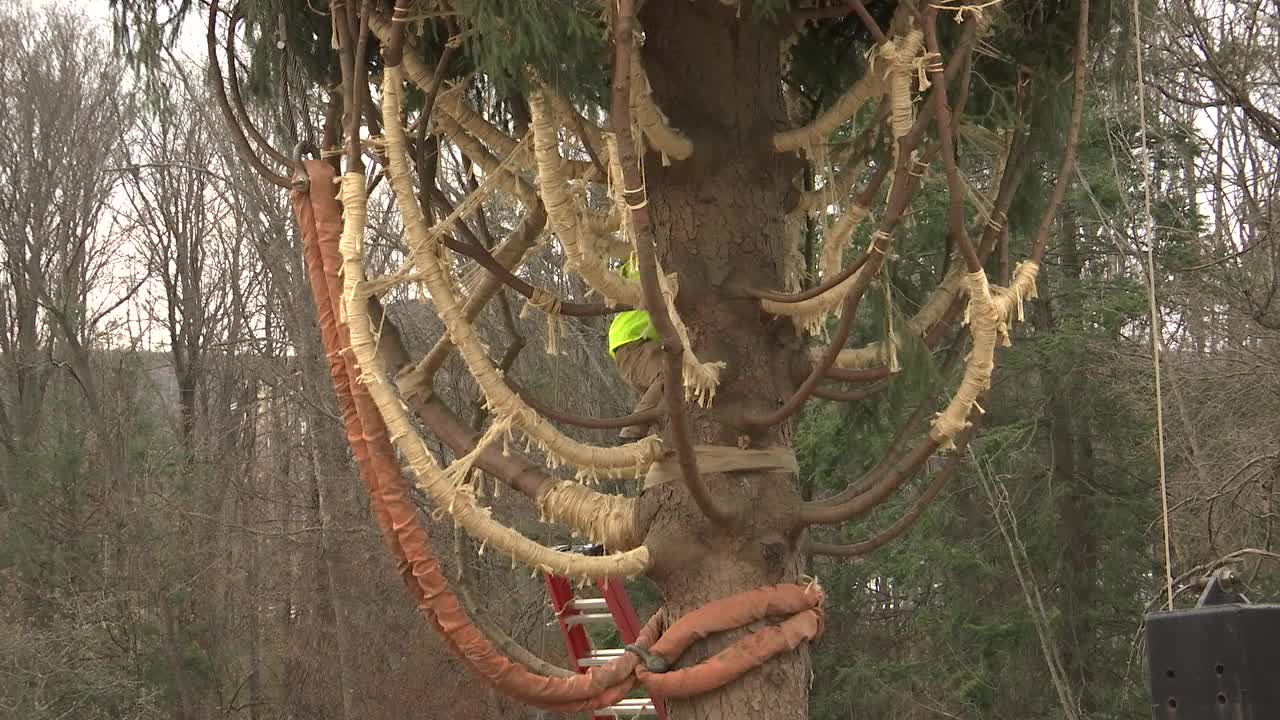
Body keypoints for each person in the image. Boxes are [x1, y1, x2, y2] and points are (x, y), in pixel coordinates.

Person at [609, 260, 663, 442]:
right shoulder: (645, 261)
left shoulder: (631, 263)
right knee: (672, 375)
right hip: (635, 339)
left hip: (631, 342)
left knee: (668, 403)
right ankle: (629, 437)